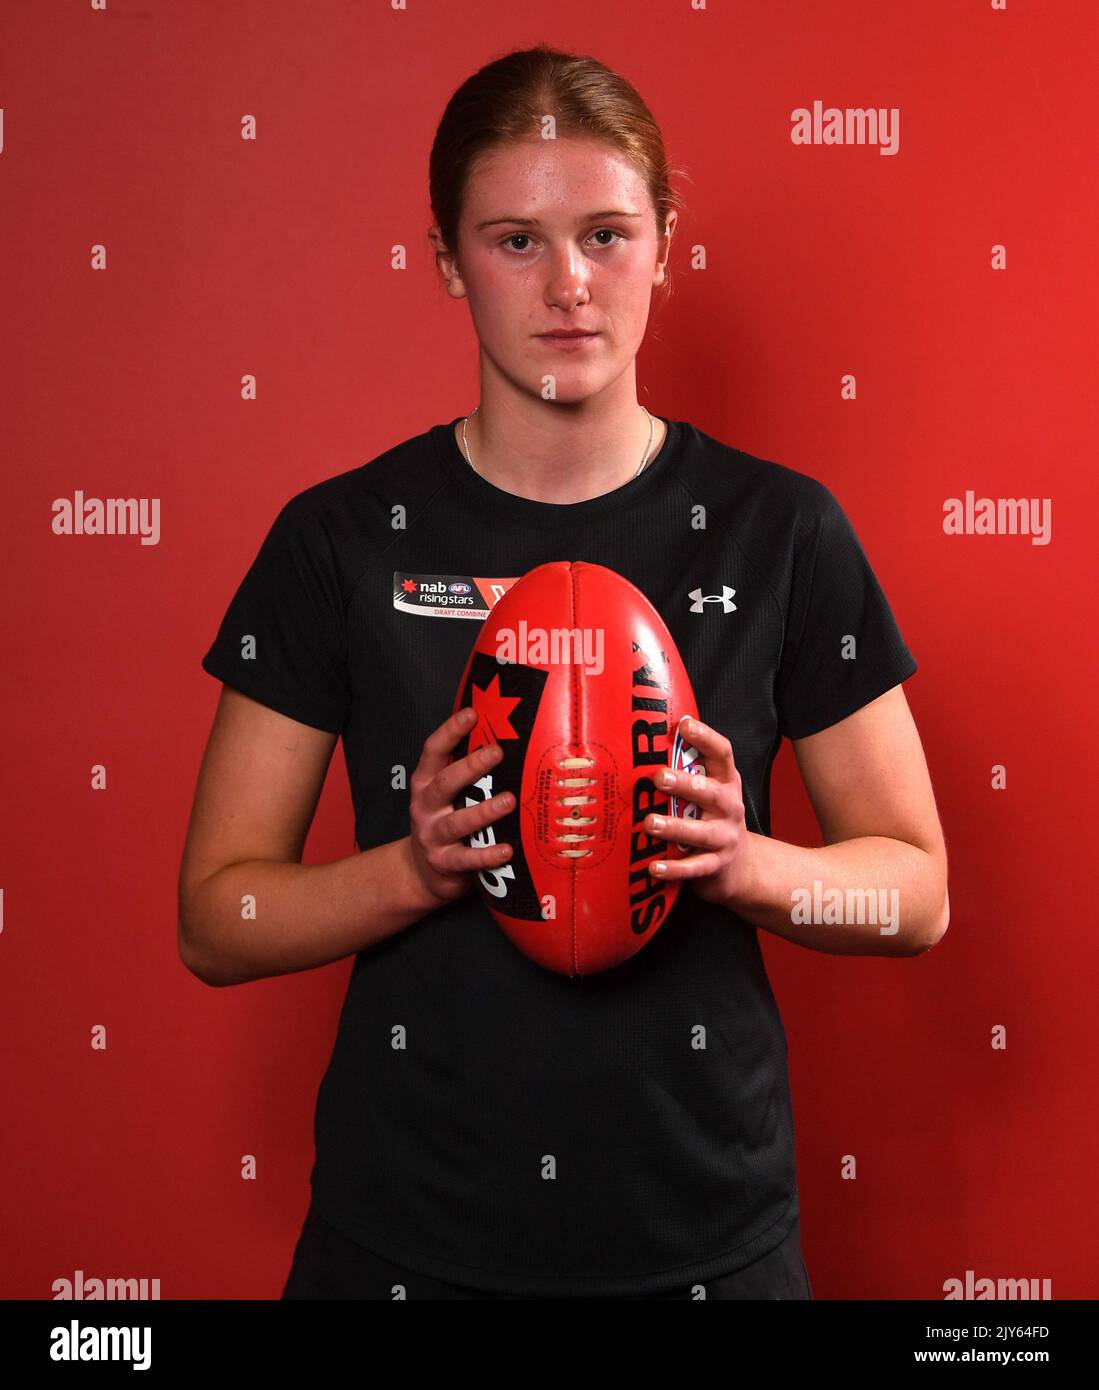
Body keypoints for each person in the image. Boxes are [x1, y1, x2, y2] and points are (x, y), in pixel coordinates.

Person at [179, 44, 949, 1301]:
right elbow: (217, 922)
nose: (570, 286)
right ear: (443, 260)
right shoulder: (339, 538)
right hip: (408, 1236)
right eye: (515, 241)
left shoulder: (783, 530)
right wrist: (415, 866)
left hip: (705, 1234)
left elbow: (913, 899)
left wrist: (745, 865)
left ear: (664, 241)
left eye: (604, 232)